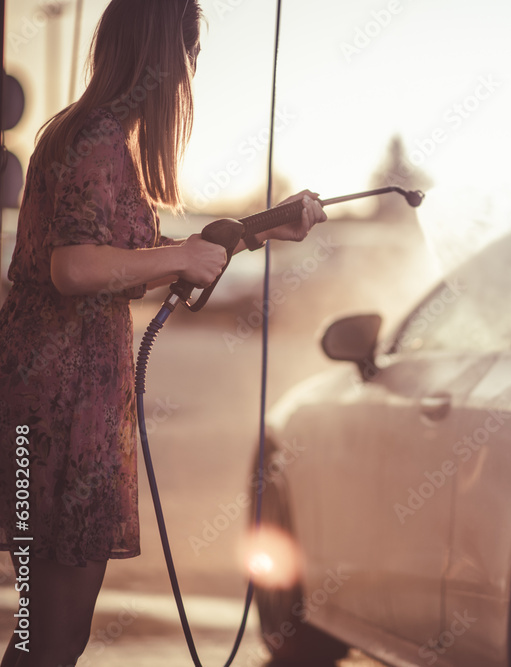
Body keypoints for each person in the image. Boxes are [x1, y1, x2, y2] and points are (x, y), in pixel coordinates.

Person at [0, 1, 326, 664]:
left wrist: (266, 227)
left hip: (68, 419)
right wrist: (177, 258)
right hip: (57, 424)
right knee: (49, 635)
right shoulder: (92, 137)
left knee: (49, 630)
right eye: (188, 53)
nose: (191, 72)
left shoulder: (95, 138)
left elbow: (132, 258)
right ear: (158, 55)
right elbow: (75, 266)